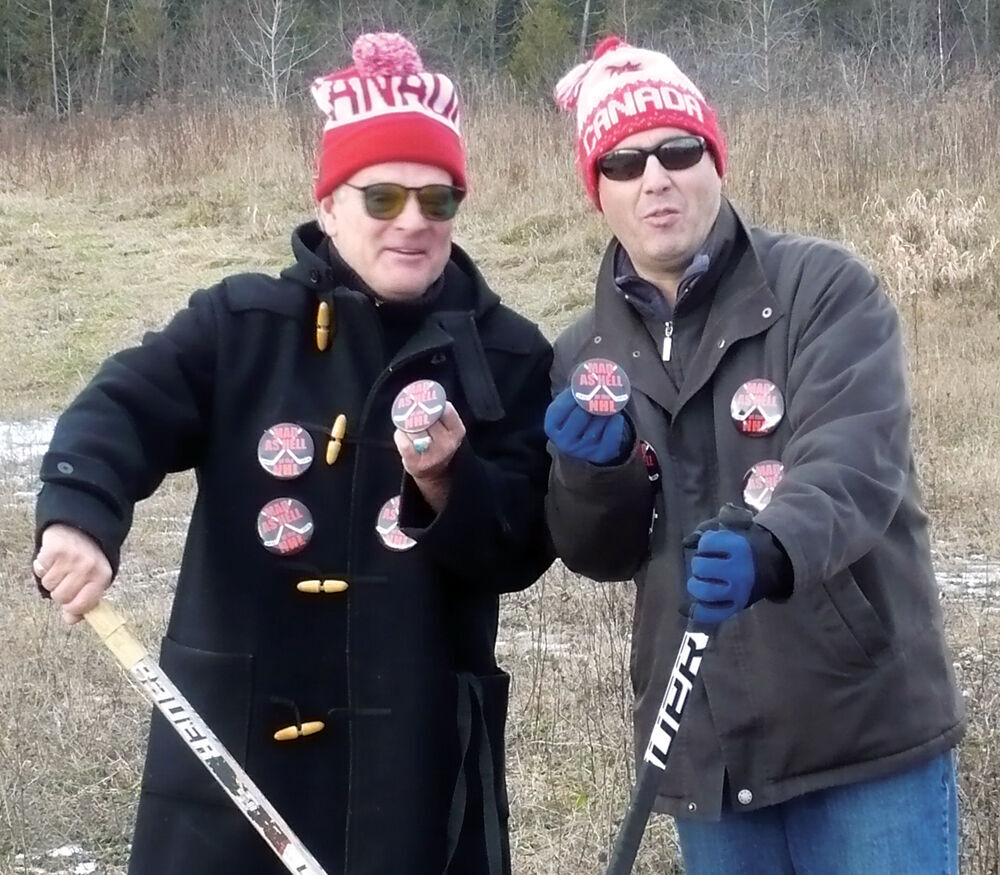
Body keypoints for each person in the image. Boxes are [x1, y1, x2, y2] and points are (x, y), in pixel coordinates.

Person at [31, 32, 552, 875]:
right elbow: (118, 411)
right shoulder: (242, 326)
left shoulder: (511, 355)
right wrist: (79, 519)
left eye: (438, 199)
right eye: (382, 197)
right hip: (240, 742)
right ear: (331, 204)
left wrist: (452, 482)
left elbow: (525, 544)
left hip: (415, 755)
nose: (413, 222)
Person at [544, 36, 965, 874]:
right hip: (705, 752)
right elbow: (601, 551)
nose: (655, 178)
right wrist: (592, 477)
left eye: (677, 149)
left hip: (860, 734)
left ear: (714, 156)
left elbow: (854, 461)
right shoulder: (584, 354)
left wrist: (773, 547)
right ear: (598, 191)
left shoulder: (825, 289)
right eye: (624, 163)